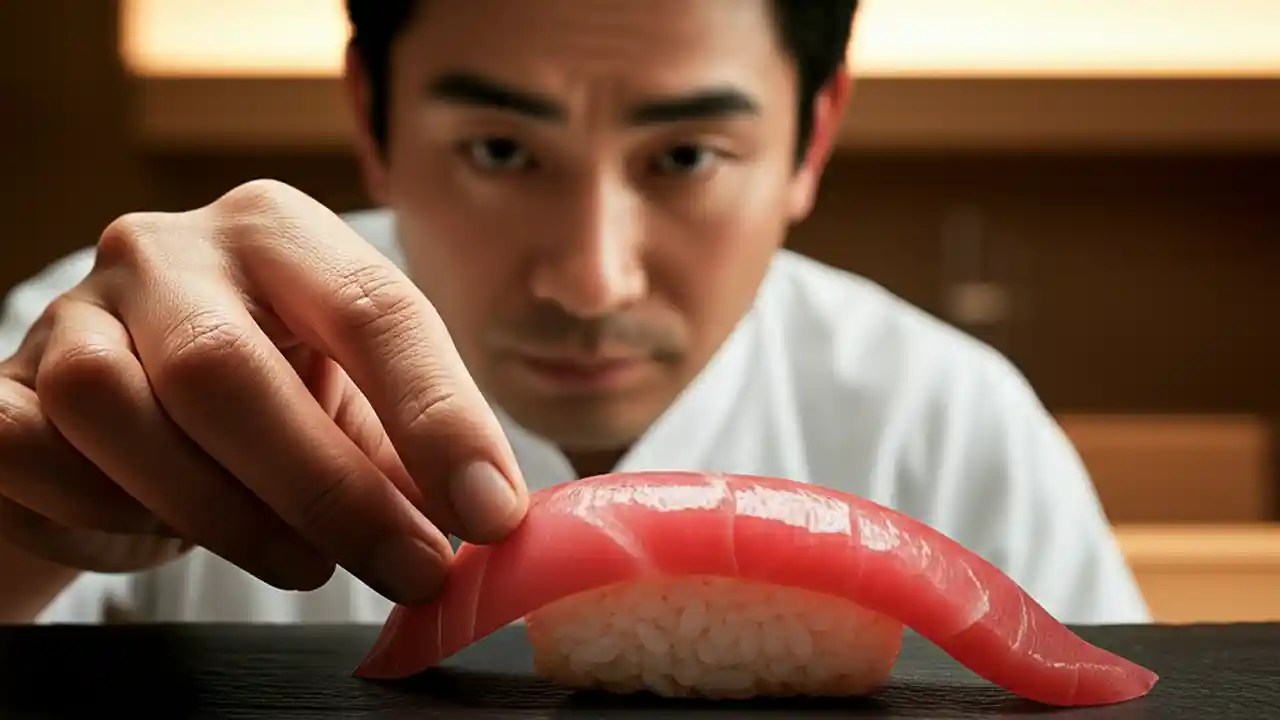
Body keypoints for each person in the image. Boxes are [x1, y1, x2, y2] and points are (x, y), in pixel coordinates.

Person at [0, 0, 1150, 626]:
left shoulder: (948, 425)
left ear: (813, 136)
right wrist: (25, 536)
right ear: (372, 117)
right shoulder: (114, 356)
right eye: (500, 151)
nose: (591, 281)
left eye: (687, 155)